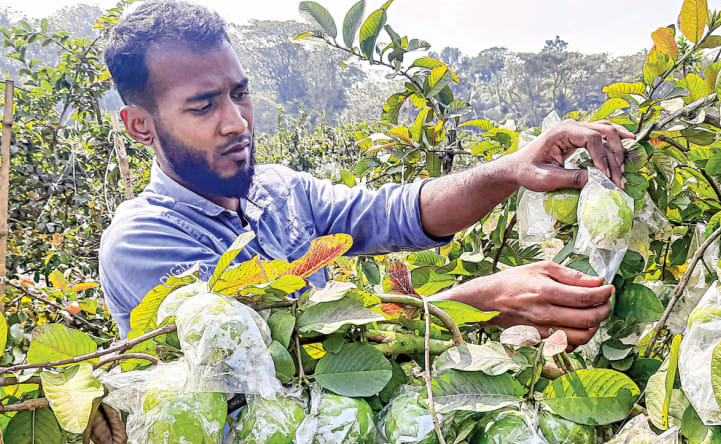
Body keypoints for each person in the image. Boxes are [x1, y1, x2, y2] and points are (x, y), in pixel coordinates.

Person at [99, 0, 633, 348]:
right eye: (202, 106)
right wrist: (476, 304)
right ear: (140, 125)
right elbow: (266, 360)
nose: (235, 123)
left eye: (239, 93)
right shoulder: (141, 242)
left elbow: (397, 212)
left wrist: (510, 170)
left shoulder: (280, 191)